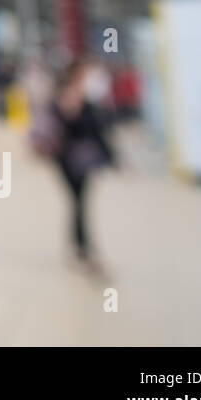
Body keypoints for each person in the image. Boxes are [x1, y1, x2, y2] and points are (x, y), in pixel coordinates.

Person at [43, 59, 117, 271]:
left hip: (81, 160)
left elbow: (98, 131)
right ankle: (83, 250)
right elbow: (64, 128)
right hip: (69, 160)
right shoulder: (67, 97)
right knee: (79, 204)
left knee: (79, 204)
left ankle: (80, 248)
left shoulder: (86, 98)